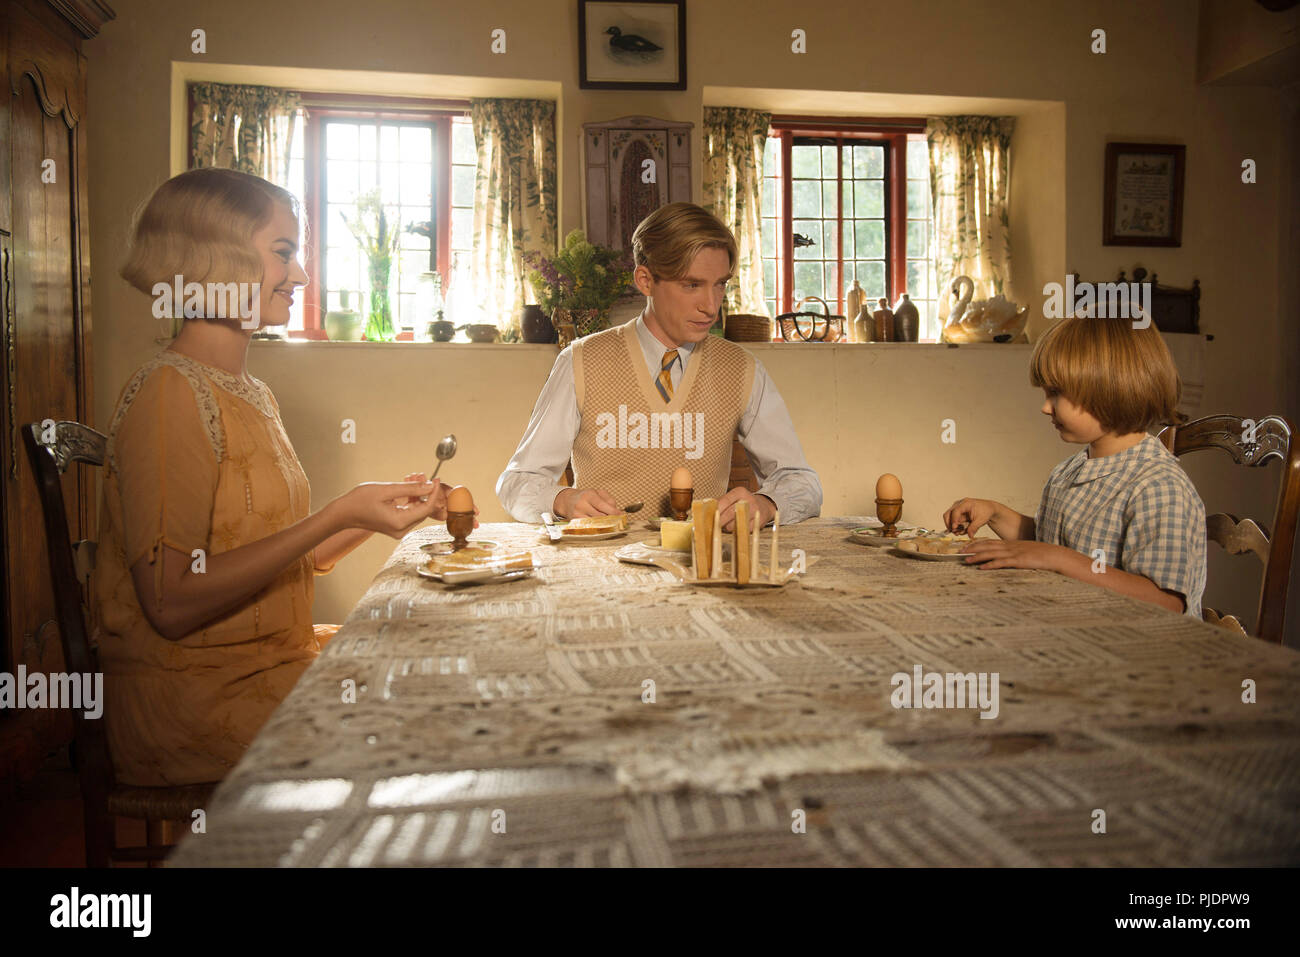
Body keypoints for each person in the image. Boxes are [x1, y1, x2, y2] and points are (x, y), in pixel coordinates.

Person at [94, 168, 451, 786]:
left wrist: (369, 515)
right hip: (196, 698)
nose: (302, 276)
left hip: (267, 663)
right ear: (213, 260)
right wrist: (338, 513)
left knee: (445, 665)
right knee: (440, 719)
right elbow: (171, 603)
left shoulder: (251, 393)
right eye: (283, 254)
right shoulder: (168, 395)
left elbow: (288, 560)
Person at [497, 202, 821, 530]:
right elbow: (517, 482)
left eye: (720, 284)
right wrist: (562, 500)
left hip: (703, 569)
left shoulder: (741, 369)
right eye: (692, 285)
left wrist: (767, 504)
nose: (711, 306)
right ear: (646, 281)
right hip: (605, 570)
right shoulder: (581, 361)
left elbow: (803, 483)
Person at [943, 314, 1207, 617]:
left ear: (1108, 387)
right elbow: (1046, 543)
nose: (1045, 407)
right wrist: (996, 513)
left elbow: (1166, 603)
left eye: (1056, 393)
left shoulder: (1159, 486)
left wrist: (1058, 558)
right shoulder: (1068, 472)